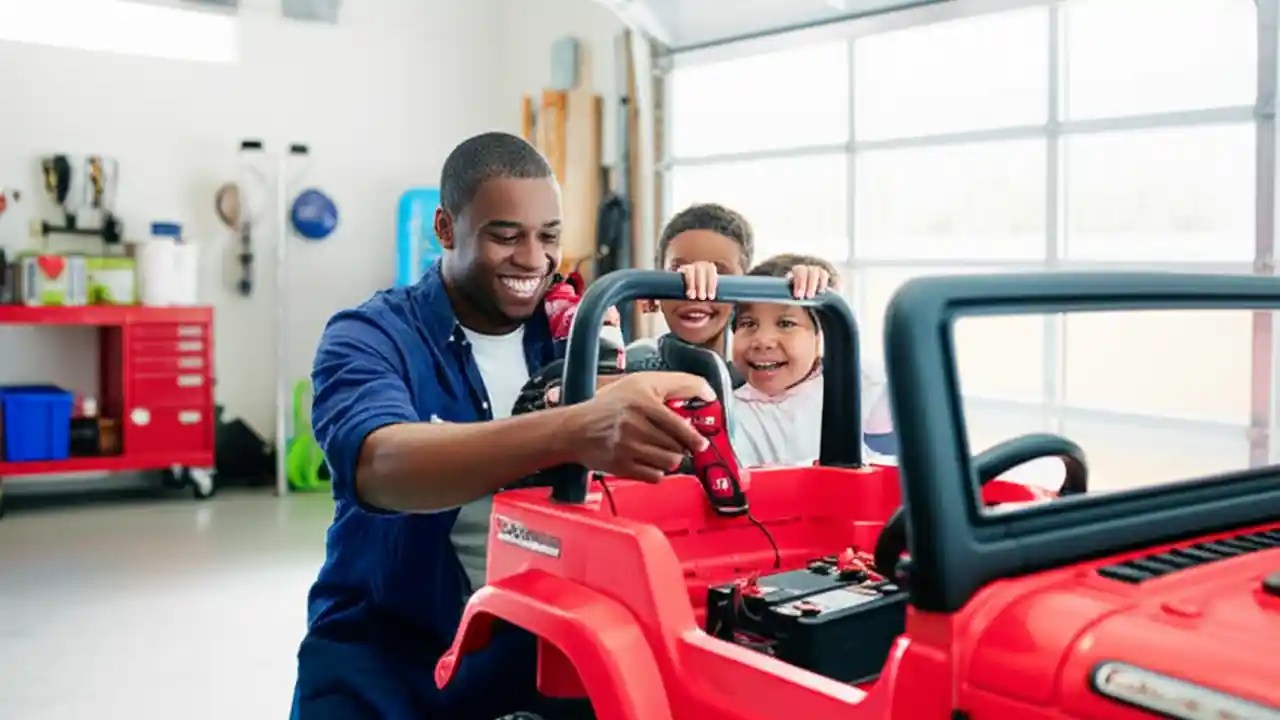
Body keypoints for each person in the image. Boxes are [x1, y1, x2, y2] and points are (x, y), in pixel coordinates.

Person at [290, 131, 714, 720]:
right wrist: (572, 429)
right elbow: (380, 466)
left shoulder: (581, 330)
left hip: (538, 649)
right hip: (385, 656)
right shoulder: (369, 336)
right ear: (445, 229)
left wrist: (710, 300)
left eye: (549, 237)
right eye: (505, 236)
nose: (533, 259)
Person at [730, 254, 897, 468]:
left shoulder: (856, 382)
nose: (762, 341)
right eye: (748, 323)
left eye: (785, 323)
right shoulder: (728, 410)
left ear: (822, 333)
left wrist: (823, 287)